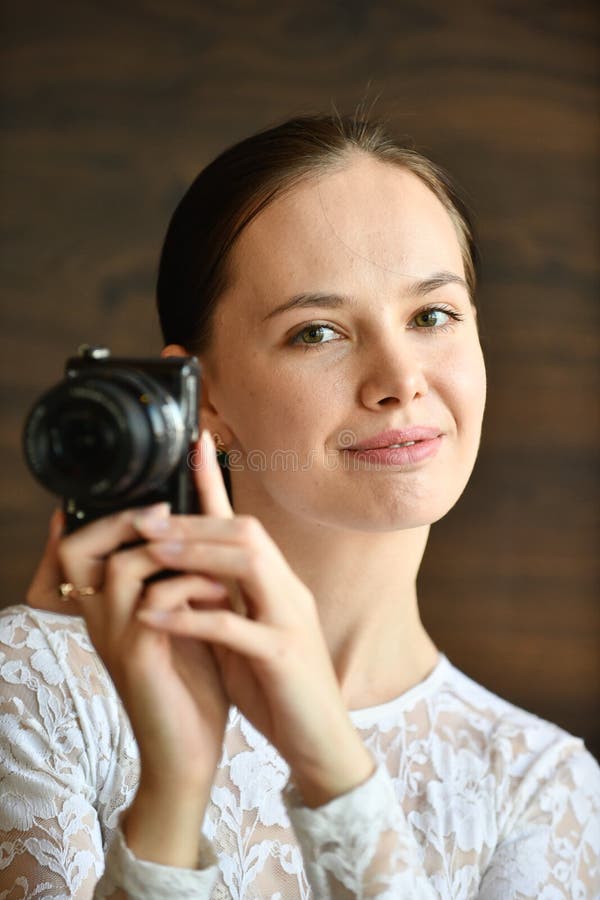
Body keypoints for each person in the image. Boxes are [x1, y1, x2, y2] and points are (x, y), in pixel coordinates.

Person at [1, 113, 598, 899]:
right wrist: (172, 796)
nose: (399, 379)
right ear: (202, 396)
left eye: (432, 316)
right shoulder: (36, 687)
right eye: (318, 331)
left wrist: (333, 771)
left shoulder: (544, 788)